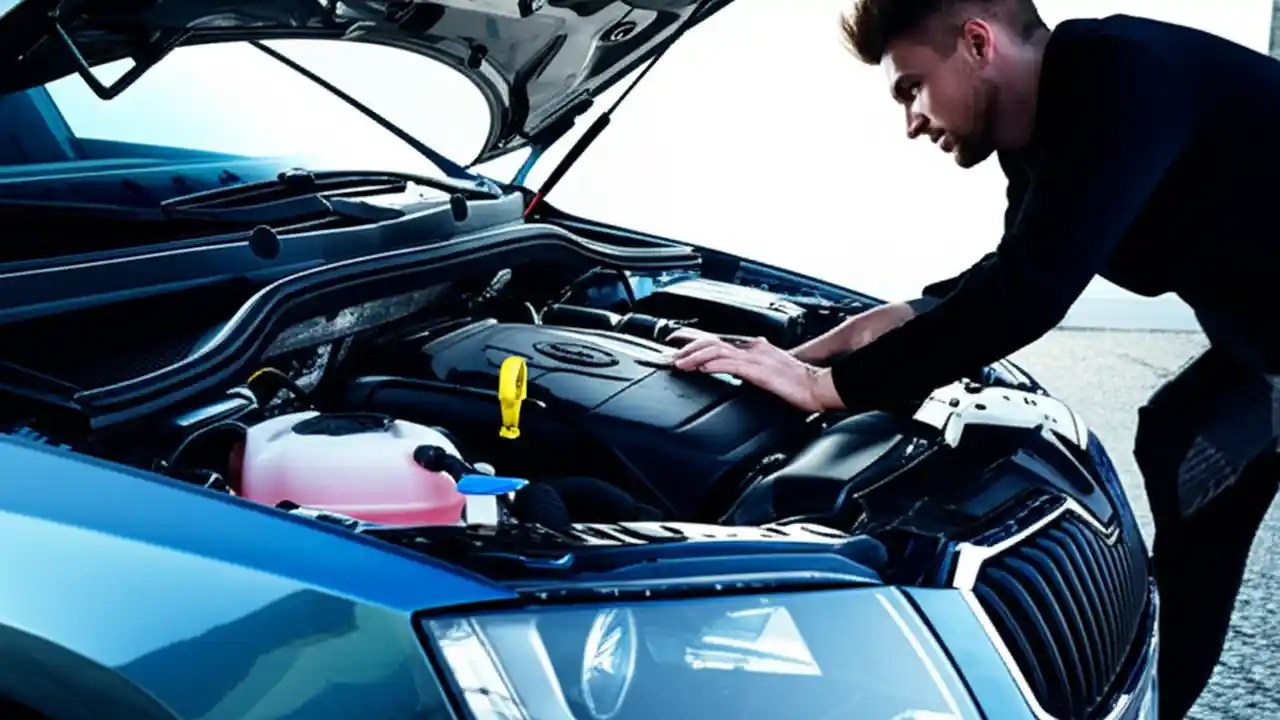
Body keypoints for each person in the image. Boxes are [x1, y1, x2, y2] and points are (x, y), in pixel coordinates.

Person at [668, 1, 1280, 717]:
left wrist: (822, 386)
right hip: (1262, 351)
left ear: (977, 43)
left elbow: (1027, 296)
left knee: (1191, 437)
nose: (912, 121)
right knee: (1183, 441)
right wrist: (889, 321)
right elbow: (1014, 264)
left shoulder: (1121, 72)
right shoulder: (1044, 130)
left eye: (911, 88)